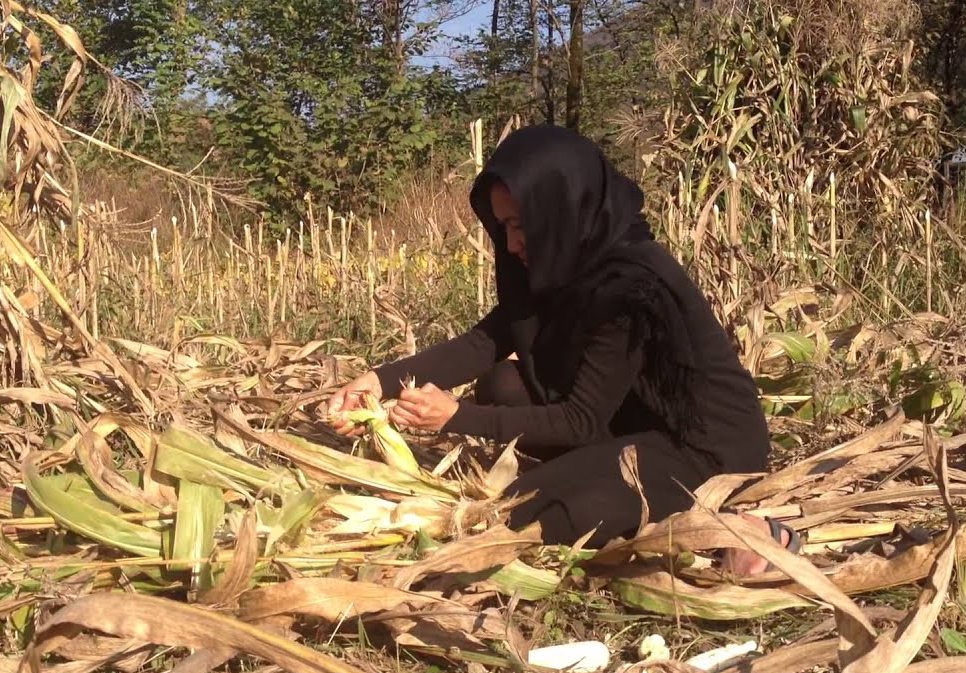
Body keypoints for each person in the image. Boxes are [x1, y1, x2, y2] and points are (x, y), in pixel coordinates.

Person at [326, 125, 799, 575]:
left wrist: (456, 417)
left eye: (520, 225)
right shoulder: (565, 259)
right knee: (502, 385)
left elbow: (581, 420)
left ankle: (737, 528)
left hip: (703, 448)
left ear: (559, 211)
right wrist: (378, 382)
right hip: (631, 422)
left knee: (534, 509)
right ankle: (600, 473)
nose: (511, 243)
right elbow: (485, 341)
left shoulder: (631, 286)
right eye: (503, 226)